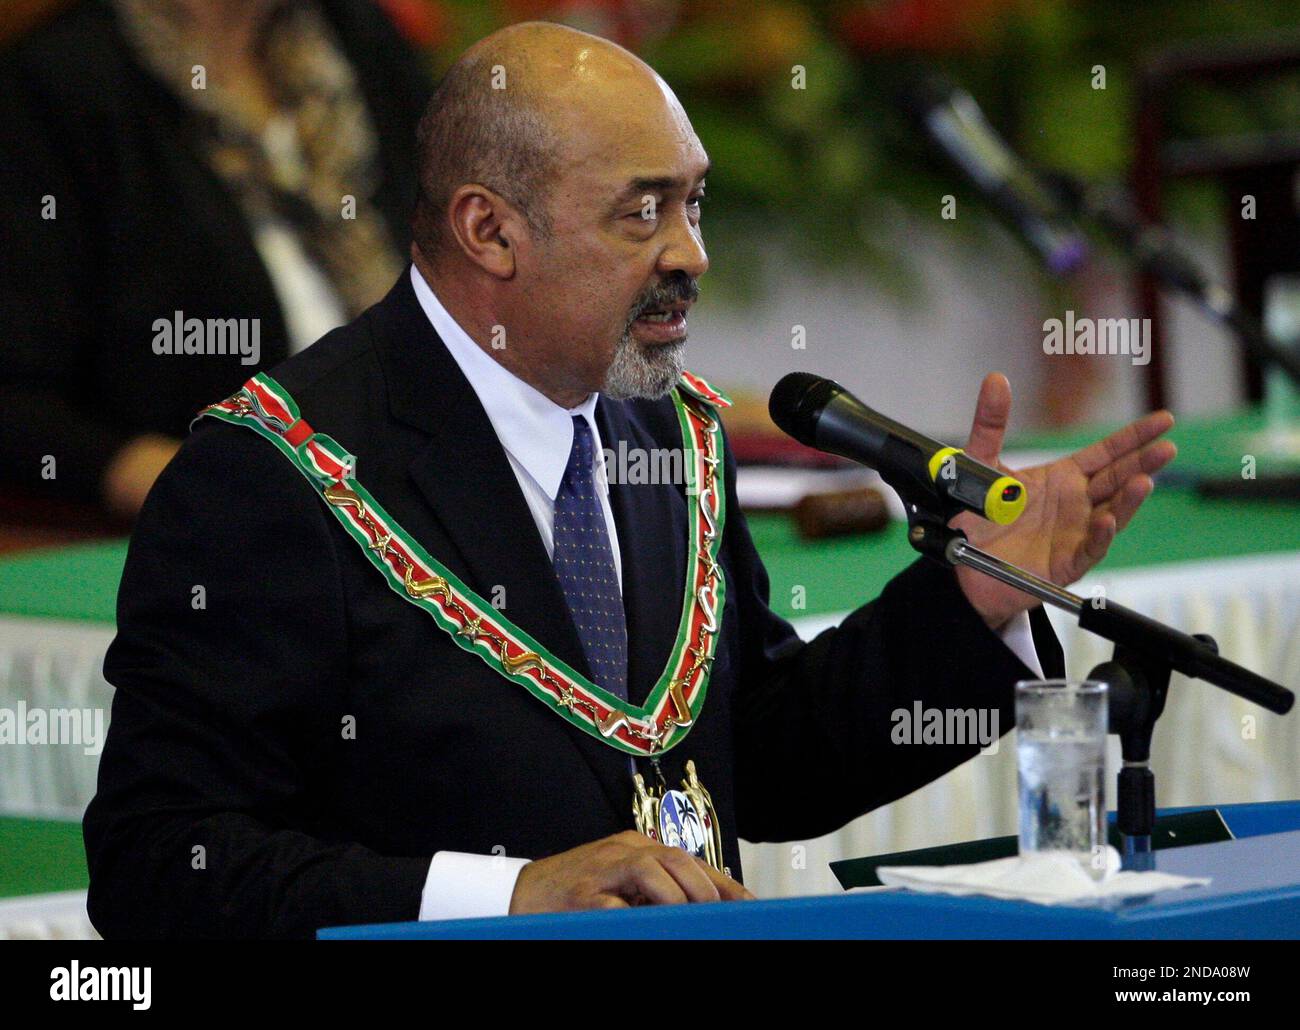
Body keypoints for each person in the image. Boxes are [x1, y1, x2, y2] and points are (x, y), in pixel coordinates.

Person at [83, 21, 1176, 938]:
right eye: (641, 209)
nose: (691, 251)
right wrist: (505, 893)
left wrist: (965, 608)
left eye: (694, 203)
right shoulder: (274, 471)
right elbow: (159, 863)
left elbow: (759, 761)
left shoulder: (668, 433)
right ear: (489, 230)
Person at [0, 0, 430, 518]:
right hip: (201, 532)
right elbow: (18, 406)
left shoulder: (357, 41)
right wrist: (198, 485)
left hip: (402, 489)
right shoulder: (59, 83)